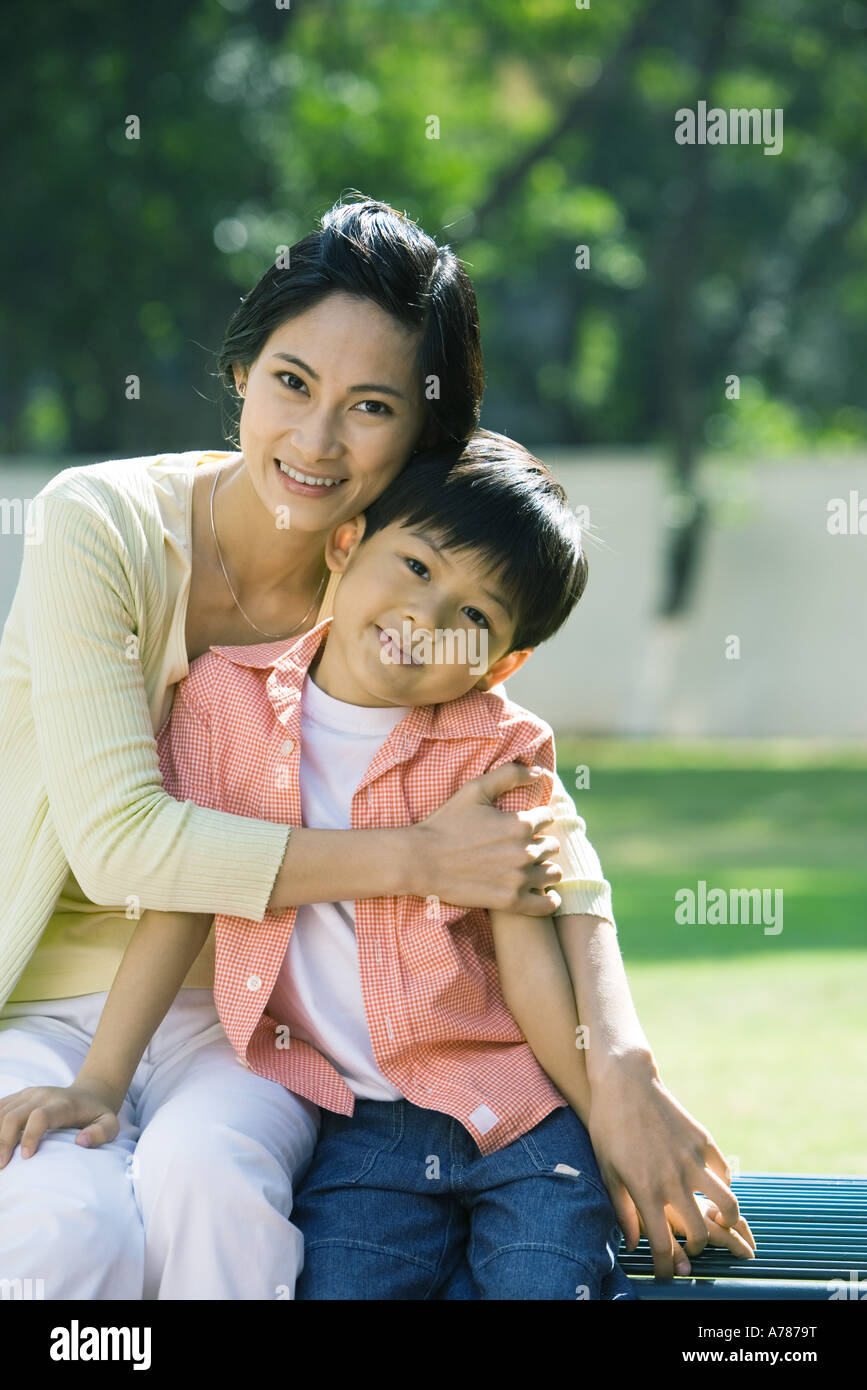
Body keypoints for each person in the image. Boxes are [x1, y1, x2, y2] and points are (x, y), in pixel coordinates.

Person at [0, 194, 746, 1299]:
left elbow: (533, 830)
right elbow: (125, 848)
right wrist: (410, 858)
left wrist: (620, 1066)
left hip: (255, 1025)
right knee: (64, 1233)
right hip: (47, 1000)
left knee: (215, 1194)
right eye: (292, 382)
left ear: (421, 440)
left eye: (372, 407)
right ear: (243, 371)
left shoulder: (406, 597)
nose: (315, 440)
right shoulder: (102, 524)